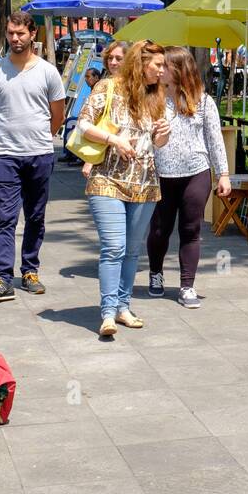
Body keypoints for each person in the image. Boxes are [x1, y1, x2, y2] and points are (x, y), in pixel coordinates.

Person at [76, 41, 171, 336]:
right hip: (107, 178)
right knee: (114, 247)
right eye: (158, 65)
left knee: (131, 251)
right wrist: (113, 140)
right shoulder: (108, 86)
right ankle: (107, 313)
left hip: (144, 182)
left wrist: (162, 136)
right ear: (141, 63)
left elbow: (157, 145)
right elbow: (82, 124)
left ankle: (123, 307)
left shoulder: (156, 95)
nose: (162, 70)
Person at [0, 11, 66, 301]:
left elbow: (57, 117)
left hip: (40, 154)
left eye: (21, 33)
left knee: (36, 216)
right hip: (5, 155)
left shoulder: (48, 72)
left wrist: (38, 137)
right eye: (11, 33)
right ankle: (3, 276)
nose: (15, 38)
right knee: (5, 218)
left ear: (32, 35)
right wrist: (7, 137)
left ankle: (30, 270)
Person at [147, 46, 230, 309]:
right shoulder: (152, 100)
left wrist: (223, 174)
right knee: (160, 230)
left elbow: (215, 140)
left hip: (196, 172)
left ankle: (187, 285)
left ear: (179, 69)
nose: (160, 70)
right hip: (161, 175)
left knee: (191, 230)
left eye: (165, 66)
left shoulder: (203, 101)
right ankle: (156, 273)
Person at [79, 41, 128, 177]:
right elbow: (84, 122)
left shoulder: (139, 87)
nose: (113, 62)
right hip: (106, 166)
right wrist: (90, 159)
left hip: (135, 169)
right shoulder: (104, 85)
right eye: (110, 58)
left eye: (118, 59)